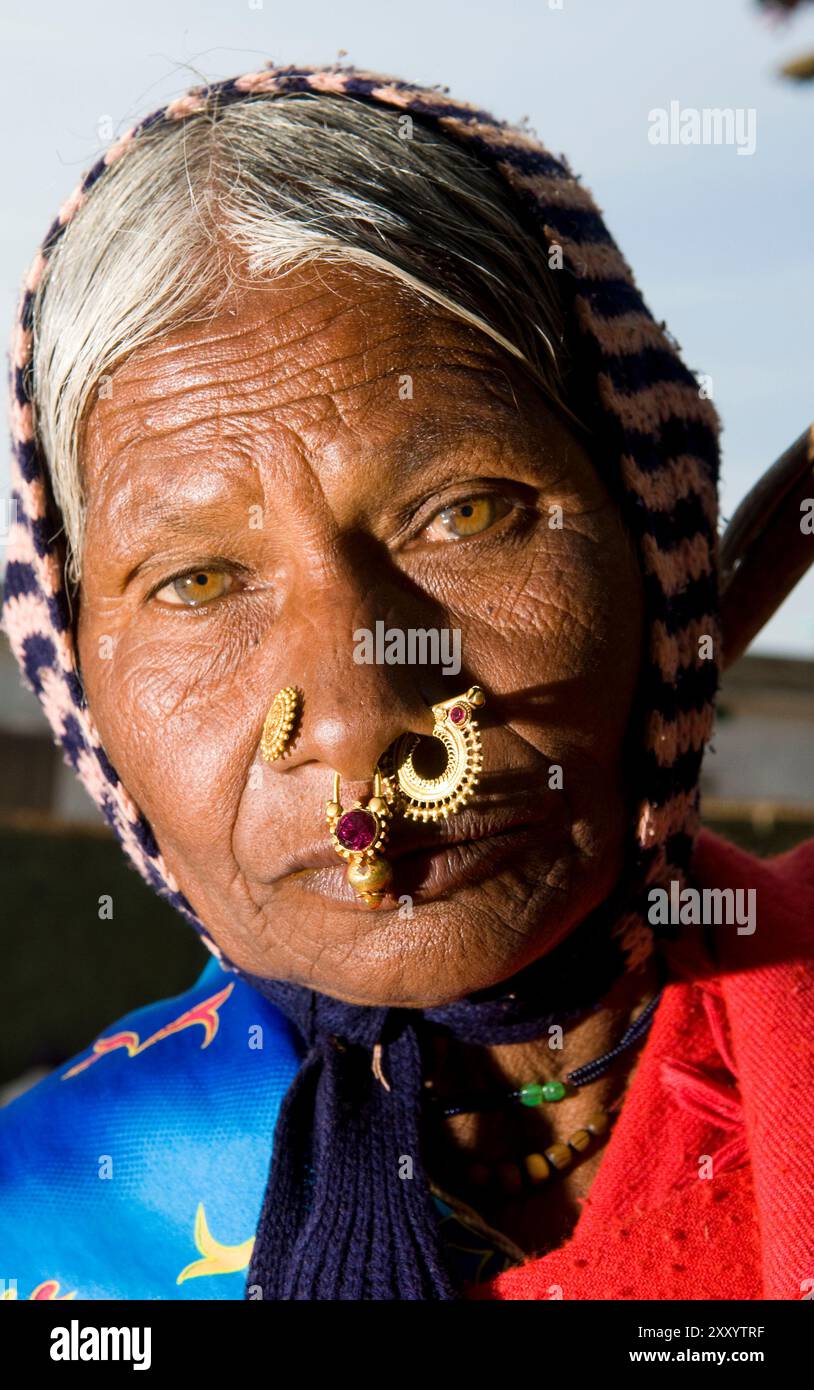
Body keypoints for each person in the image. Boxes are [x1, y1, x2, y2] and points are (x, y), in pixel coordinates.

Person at [1, 60, 812, 1302]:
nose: (358, 713)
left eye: (468, 511)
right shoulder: (49, 1224)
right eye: (199, 583)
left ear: (662, 543)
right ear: (77, 682)